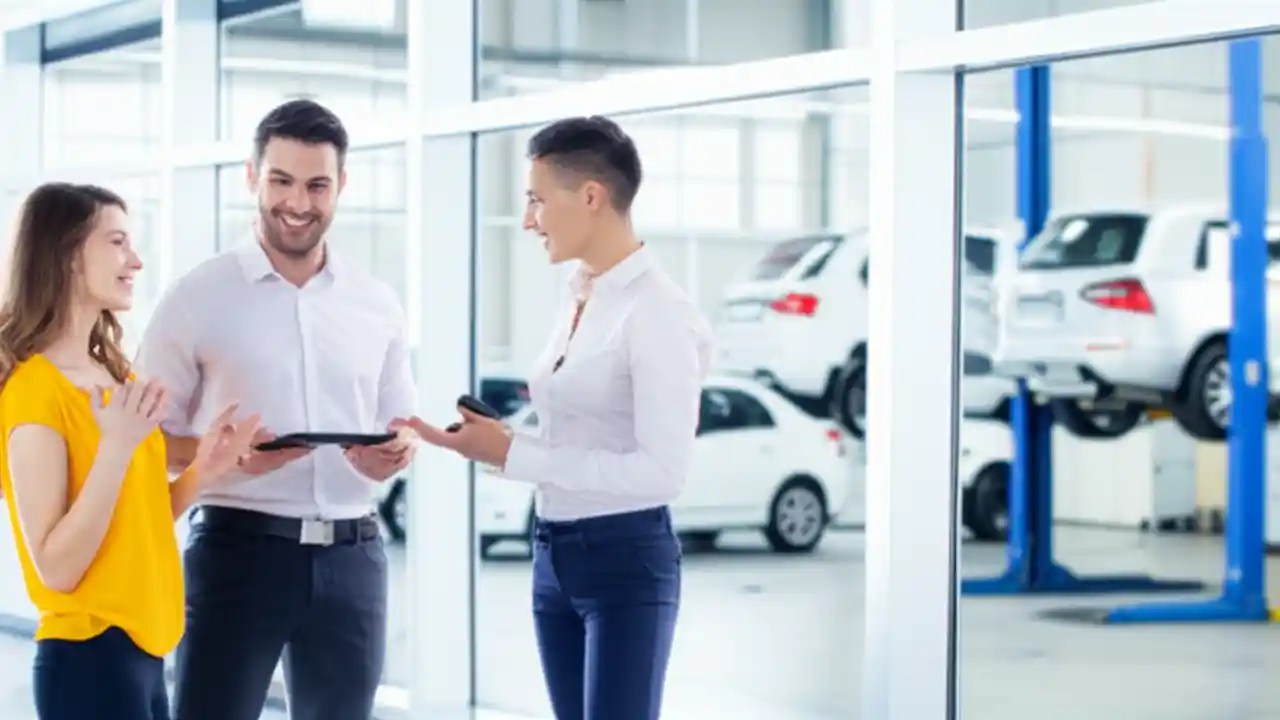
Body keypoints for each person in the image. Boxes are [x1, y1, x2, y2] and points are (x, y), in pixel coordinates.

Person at [398, 115, 713, 720]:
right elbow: (580, 435)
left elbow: (663, 474)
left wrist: (513, 454)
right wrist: (492, 442)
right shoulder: (577, 293)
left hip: (625, 560)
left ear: (591, 196)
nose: (527, 221)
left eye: (537, 200)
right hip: (553, 551)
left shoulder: (658, 313)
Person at [133, 99, 418, 720]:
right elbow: (138, 440)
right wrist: (219, 455)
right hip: (239, 552)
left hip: (354, 558)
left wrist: (392, 455)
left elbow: (400, 423)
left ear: (341, 185)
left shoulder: (376, 301)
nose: (298, 202)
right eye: (280, 181)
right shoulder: (196, 297)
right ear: (251, 177)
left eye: (317, 184)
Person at [0, 182, 260, 720]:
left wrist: (202, 472)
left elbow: (131, 524)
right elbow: (57, 568)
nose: (135, 261)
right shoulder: (33, 396)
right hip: (87, 660)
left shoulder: (115, 376)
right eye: (117, 243)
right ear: (69, 255)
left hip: (140, 656)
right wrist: (116, 449)